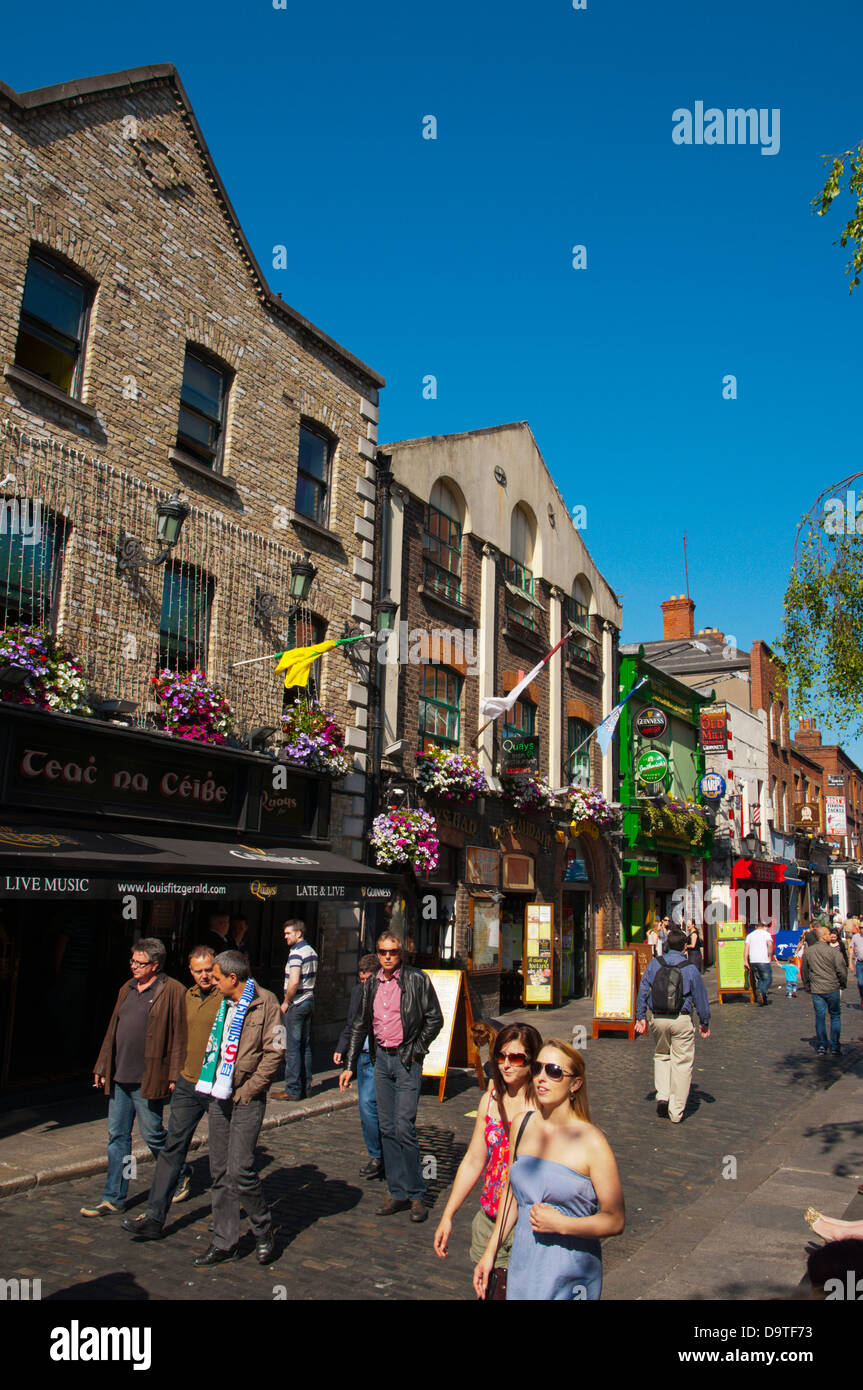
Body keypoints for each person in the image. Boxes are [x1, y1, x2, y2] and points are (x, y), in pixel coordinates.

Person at [473, 1040, 624, 1300]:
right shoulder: (521, 1125)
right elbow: (511, 1195)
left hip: (569, 1274)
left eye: (554, 1071)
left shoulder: (592, 1141)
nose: (542, 1078)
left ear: (574, 1083)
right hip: (524, 1265)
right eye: (538, 1068)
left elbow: (615, 1219)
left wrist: (563, 1224)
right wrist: (490, 1253)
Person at [339, 931, 443, 1222]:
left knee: (403, 1126)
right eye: (383, 952)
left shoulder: (416, 979)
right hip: (380, 1060)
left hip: (406, 1059)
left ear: (401, 954)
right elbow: (360, 1025)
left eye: (393, 952)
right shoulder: (371, 984)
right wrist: (349, 1064)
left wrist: (416, 1049)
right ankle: (397, 1191)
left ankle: (417, 1194)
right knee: (386, 1127)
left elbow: (435, 1018)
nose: (387, 956)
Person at [80, 937, 186, 1217]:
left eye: (139, 963)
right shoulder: (126, 988)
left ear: (155, 965)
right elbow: (113, 1028)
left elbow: (179, 1035)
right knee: (118, 1137)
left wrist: (175, 1073)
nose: (133, 967)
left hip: (149, 1077)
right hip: (120, 1076)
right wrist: (102, 1065)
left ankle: (179, 1170)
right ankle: (114, 1196)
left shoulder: (173, 990)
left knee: (152, 1134)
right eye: (132, 961)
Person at [122, 946, 222, 1240]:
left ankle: (223, 1223)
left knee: (222, 1158)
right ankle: (154, 1217)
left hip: (217, 1086)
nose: (204, 976)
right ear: (190, 972)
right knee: (171, 1151)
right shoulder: (185, 997)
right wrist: (173, 1074)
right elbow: (175, 1035)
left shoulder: (229, 997)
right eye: (198, 971)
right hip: (188, 1084)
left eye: (208, 970)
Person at [193, 950, 284, 1266]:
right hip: (218, 1093)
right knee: (219, 1171)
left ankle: (263, 1228)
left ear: (233, 978)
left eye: (216, 977)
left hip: (246, 1097)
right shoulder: (221, 1003)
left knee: (240, 1169)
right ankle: (225, 1241)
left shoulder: (266, 1003)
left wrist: (249, 1089)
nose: (212, 982)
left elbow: (275, 1052)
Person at [433, 1023, 541, 1270]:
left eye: (515, 1058)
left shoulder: (542, 1106)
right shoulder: (490, 1100)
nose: (505, 1064)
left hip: (528, 1224)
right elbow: (474, 1159)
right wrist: (448, 1215)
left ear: (532, 1061)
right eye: (501, 1056)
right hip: (490, 1218)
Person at [635, 926, 711, 1124]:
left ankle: (662, 1095)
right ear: (685, 947)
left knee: (661, 1055)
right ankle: (676, 1110)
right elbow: (700, 998)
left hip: (658, 1018)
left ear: (667, 945)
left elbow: (643, 989)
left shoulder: (654, 964)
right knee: (682, 1063)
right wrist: (704, 1022)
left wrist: (640, 1016)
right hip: (681, 1018)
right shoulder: (690, 969)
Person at [333, 954, 383, 1178]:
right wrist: (342, 1048)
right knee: (366, 1108)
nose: (364, 984)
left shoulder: (387, 992)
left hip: (380, 1055)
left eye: (367, 979)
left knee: (371, 1105)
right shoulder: (357, 992)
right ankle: (377, 1153)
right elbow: (352, 1022)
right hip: (361, 1056)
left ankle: (381, 1154)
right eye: (361, 980)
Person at [271, 919, 318, 1101]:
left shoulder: (296, 954)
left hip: (297, 1003)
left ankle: (292, 1089)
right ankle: (306, 1087)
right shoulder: (311, 952)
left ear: (299, 933)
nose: (285, 937)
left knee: (292, 1047)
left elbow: (294, 981)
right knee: (305, 1046)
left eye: (288, 933)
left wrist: (286, 1001)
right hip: (309, 1000)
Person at [800, 923, 847, 1056]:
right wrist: (842, 983)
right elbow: (841, 971)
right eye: (827, 934)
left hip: (817, 989)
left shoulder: (809, 952)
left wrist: (807, 986)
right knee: (835, 1016)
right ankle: (835, 1046)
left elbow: (804, 971)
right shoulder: (833, 952)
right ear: (824, 936)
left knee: (820, 1017)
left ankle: (822, 1045)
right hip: (832, 987)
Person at [743, 920, 775, 1005]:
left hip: (753, 961)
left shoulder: (750, 935)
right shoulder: (766, 934)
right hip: (763, 960)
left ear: (755, 927)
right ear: (763, 926)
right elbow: (770, 944)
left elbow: (746, 949)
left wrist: (745, 961)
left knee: (759, 980)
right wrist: (769, 956)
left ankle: (763, 999)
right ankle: (761, 991)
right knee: (768, 979)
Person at [850, 919, 863, 1007]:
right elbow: (851, 949)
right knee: (860, 983)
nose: (862, 929)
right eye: (861, 927)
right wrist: (850, 962)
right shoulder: (855, 937)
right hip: (859, 963)